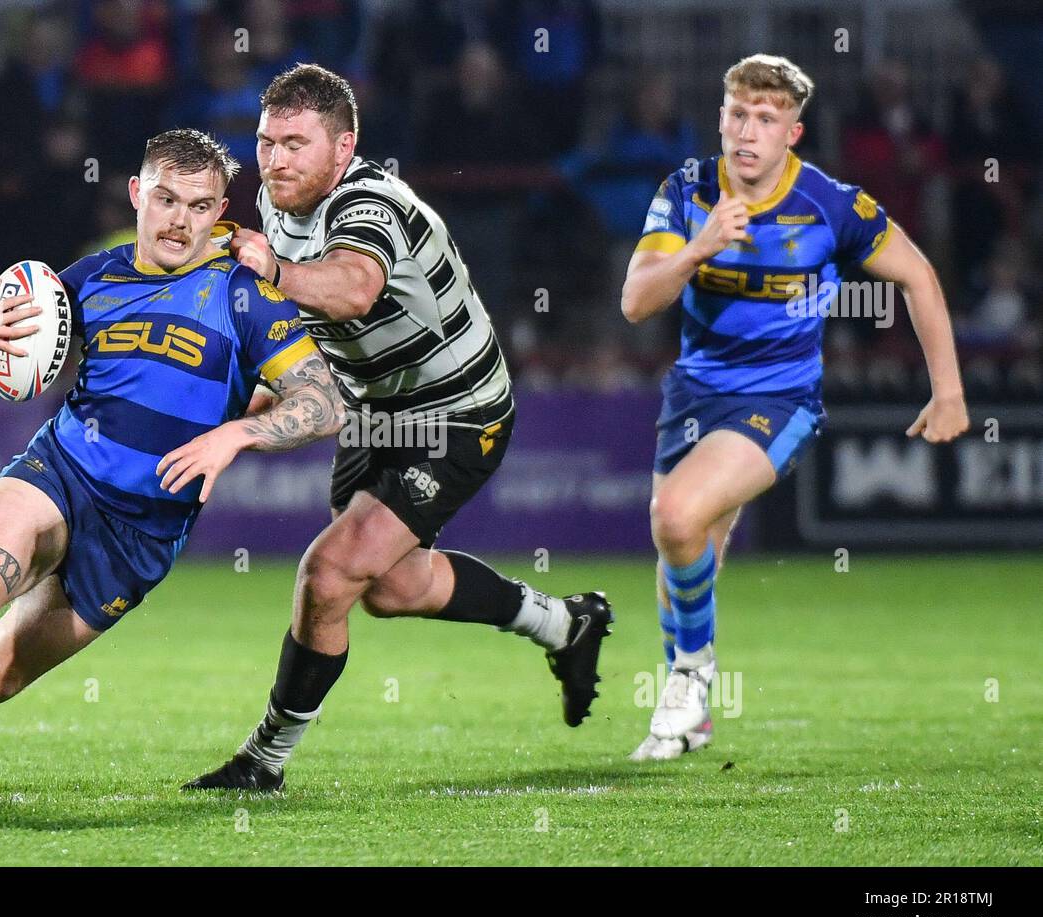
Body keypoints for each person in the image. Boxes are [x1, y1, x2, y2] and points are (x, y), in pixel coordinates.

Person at [0, 129, 345, 803]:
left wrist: (237, 434)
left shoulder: (246, 297)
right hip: (61, 471)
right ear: (136, 195)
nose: (178, 220)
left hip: (142, 532)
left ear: (219, 212)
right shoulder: (87, 280)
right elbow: (2, 372)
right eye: (165, 199)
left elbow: (325, 403)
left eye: (197, 204)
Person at [182, 64, 613, 792]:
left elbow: (354, 287)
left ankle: (264, 762)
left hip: (455, 411)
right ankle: (564, 624)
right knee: (387, 588)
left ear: (343, 149)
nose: (275, 159)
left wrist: (273, 270)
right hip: (374, 411)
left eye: (295, 143)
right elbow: (304, 338)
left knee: (328, 574)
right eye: (266, 141)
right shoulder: (281, 210)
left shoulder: (369, 203)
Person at [620, 55, 969, 761]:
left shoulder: (831, 205)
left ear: (793, 133)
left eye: (766, 119)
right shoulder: (687, 190)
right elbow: (635, 303)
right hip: (693, 394)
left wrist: (949, 390)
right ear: (720, 117)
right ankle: (695, 716)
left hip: (780, 400)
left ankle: (690, 676)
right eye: (737, 114)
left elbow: (918, 276)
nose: (748, 131)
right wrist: (702, 248)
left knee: (675, 517)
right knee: (689, 550)